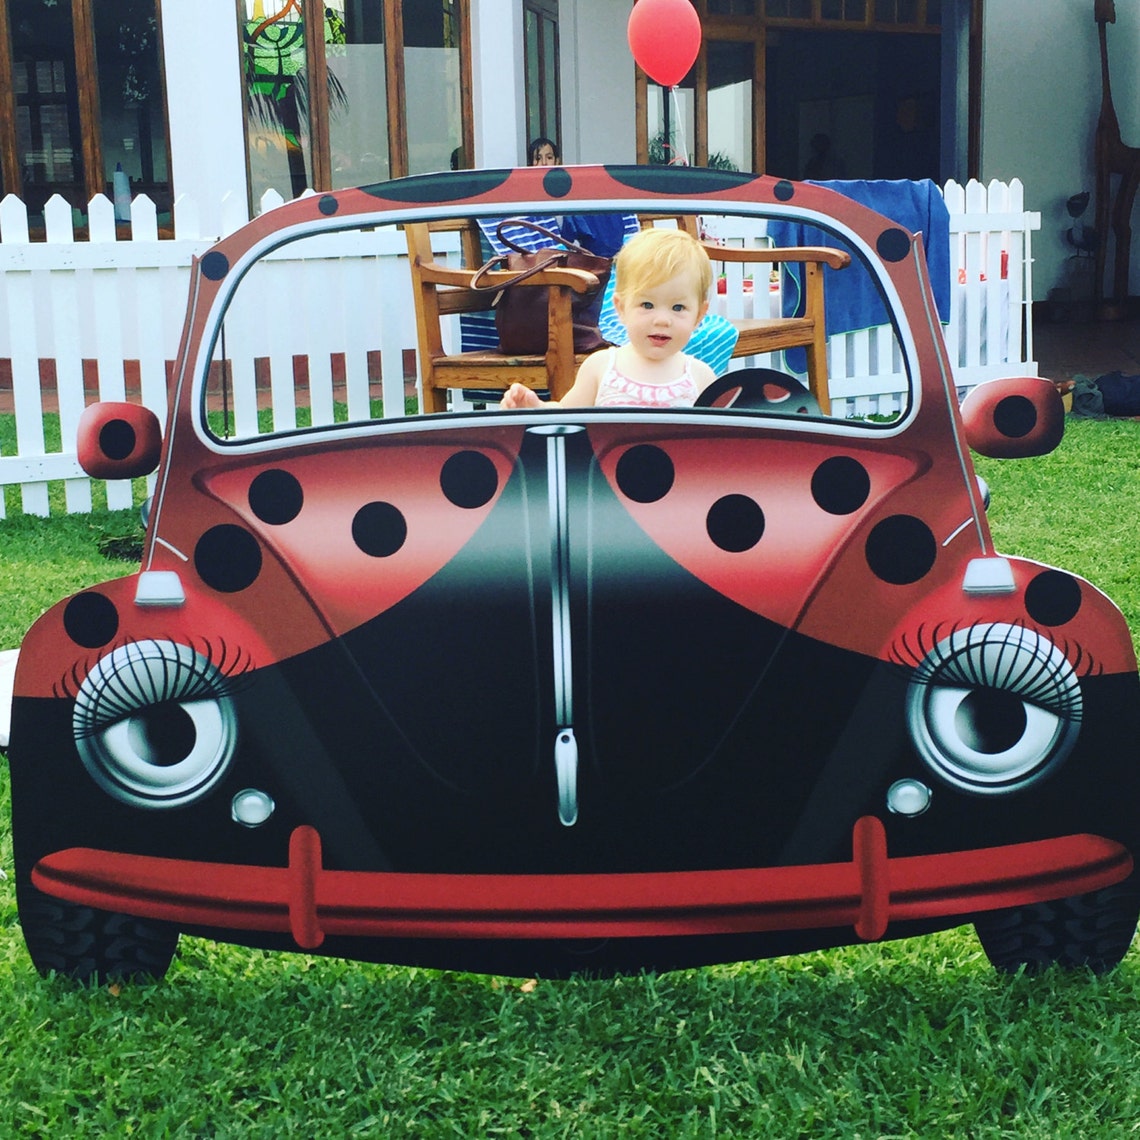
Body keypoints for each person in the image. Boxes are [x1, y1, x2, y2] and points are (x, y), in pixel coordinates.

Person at [500, 228, 716, 409]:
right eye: (647, 305)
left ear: (698, 315)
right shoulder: (601, 367)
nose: (662, 320)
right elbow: (566, 414)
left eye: (678, 307)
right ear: (621, 308)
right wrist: (535, 407)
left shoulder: (700, 378)